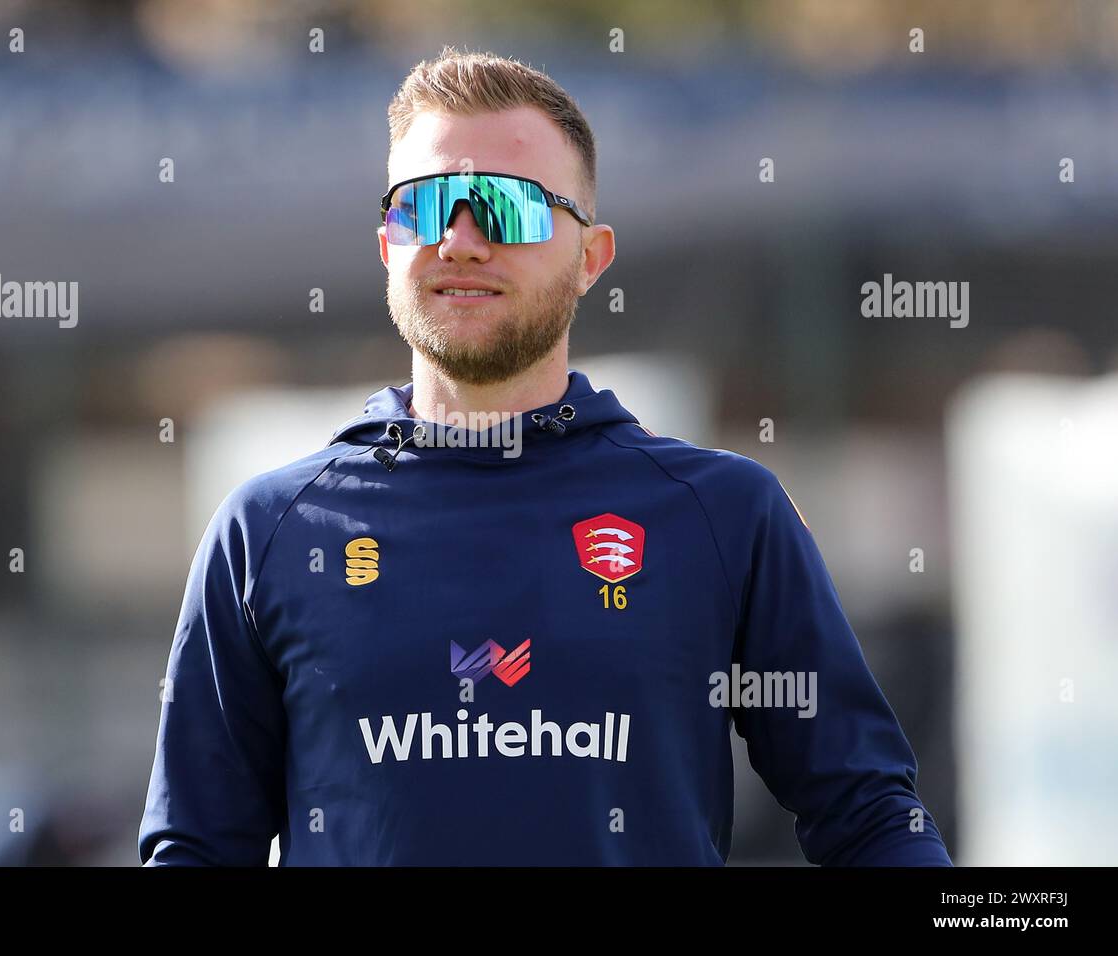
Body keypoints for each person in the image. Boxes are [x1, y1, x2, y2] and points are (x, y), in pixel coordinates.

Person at [139, 47, 951, 866]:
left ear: (590, 259)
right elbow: (197, 846)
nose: (461, 239)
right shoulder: (269, 530)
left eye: (506, 207)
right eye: (425, 207)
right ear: (388, 243)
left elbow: (866, 813)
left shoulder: (723, 515)